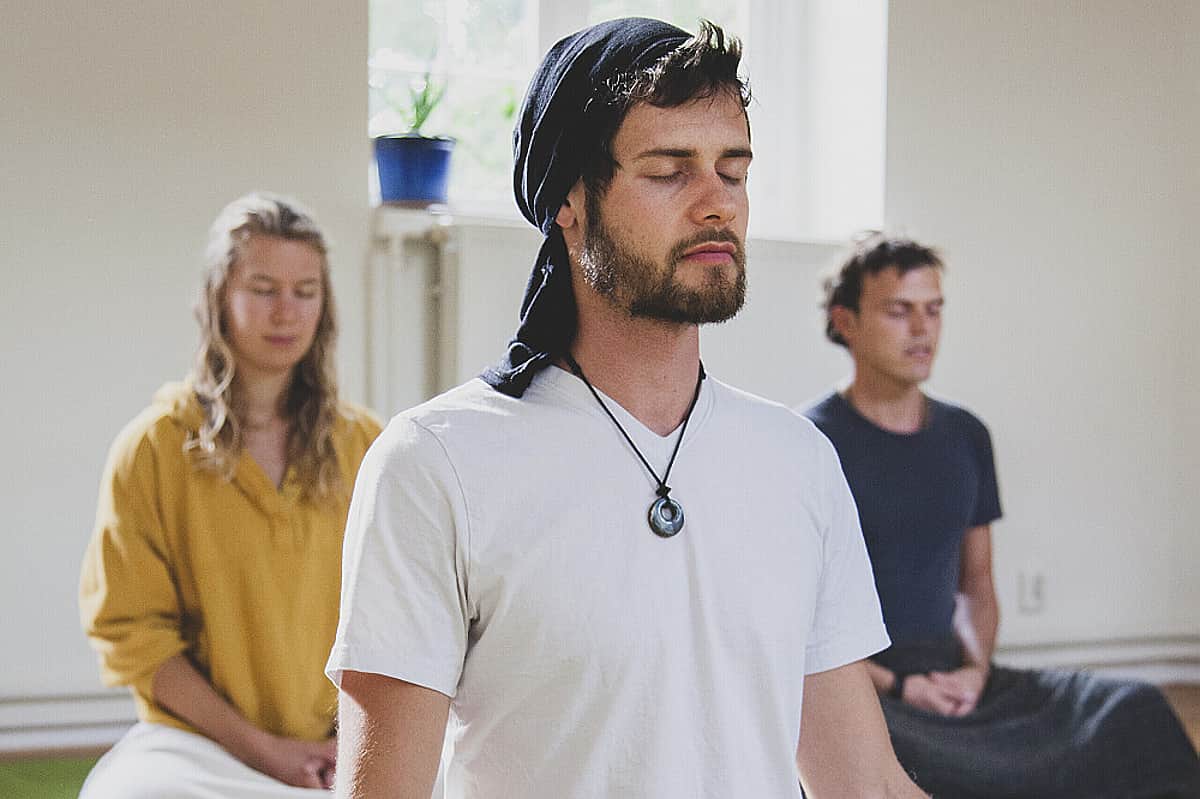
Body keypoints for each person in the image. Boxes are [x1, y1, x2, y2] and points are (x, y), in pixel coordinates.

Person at [326, 18, 927, 799]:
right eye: (669, 171)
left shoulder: (799, 461)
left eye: (732, 169)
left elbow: (867, 785)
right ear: (569, 201)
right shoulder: (435, 462)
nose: (717, 204)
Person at [804, 231, 1200, 798]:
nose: (923, 330)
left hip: (954, 677)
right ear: (846, 322)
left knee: (1132, 710)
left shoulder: (965, 435)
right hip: (870, 689)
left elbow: (976, 587)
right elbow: (798, 625)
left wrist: (975, 671)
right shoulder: (810, 444)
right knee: (893, 760)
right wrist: (901, 686)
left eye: (934, 310)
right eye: (899, 311)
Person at [78, 192, 382, 798]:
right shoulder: (152, 449)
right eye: (263, 288)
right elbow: (133, 633)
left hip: (346, 740)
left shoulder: (369, 446)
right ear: (220, 296)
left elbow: (405, 617)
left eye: (306, 291)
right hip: (199, 747)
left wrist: (351, 741)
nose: (286, 312)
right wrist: (266, 752)